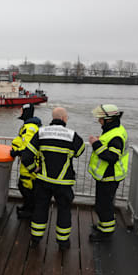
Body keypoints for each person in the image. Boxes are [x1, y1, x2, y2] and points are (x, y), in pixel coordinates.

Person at [22, 107, 85, 251]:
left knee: (40, 208)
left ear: (53, 118)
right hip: (63, 183)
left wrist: (34, 169)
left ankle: (35, 239)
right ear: (64, 119)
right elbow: (80, 151)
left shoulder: (41, 132)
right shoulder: (71, 135)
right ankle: (63, 243)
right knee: (64, 210)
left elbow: (26, 156)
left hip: (43, 180)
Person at [88, 104, 129, 242]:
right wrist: (101, 142)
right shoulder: (114, 130)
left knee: (104, 205)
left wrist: (95, 144)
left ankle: (106, 233)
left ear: (109, 119)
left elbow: (112, 157)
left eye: (101, 118)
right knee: (103, 203)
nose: (99, 120)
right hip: (107, 176)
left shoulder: (115, 136)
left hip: (109, 176)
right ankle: (103, 226)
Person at [10, 103, 42, 219]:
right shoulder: (30, 126)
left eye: (22, 111)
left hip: (29, 163)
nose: (20, 113)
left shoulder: (30, 127)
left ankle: (30, 211)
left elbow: (28, 147)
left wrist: (16, 152)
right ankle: (27, 207)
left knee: (26, 186)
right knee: (25, 185)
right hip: (28, 162)